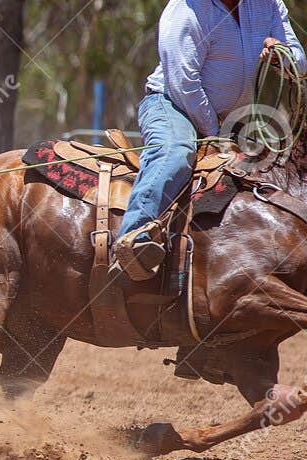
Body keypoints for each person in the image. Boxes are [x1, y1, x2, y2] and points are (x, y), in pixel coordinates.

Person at [115, 0, 304, 280]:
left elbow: (299, 60)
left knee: (276, 171)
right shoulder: (187, 9)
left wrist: (283, 56)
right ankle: (135, 240)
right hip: (172, 105)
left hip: (232, 116)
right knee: (175, 154)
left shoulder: (268, 4)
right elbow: (183, 83)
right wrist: (216, 134)